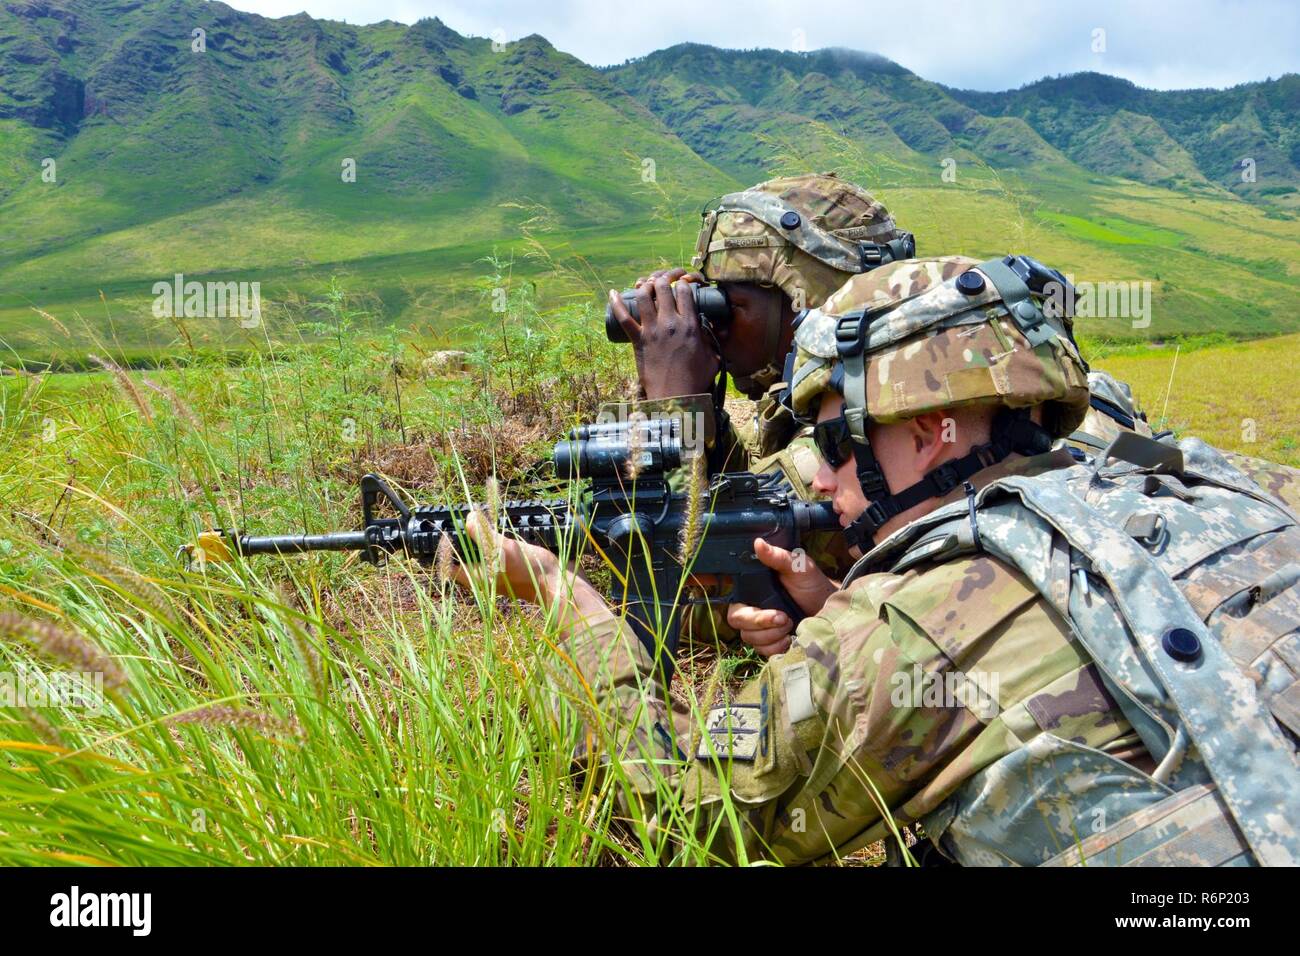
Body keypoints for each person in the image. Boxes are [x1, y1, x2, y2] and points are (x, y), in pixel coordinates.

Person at [460, 253, 1300, 865]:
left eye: (833, 439)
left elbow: (681, 813)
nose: (820, 475)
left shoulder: (912, 626)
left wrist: (572, 606)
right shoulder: (1212, 478)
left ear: (934, 432)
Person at [604, 172, 913, 650]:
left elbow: (676, 570)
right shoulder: (831, 394)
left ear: (807, 301)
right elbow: (736, 489)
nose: (713, 326)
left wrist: (673, 399)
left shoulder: (850, 439)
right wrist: (698, 396)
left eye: (731, 306)